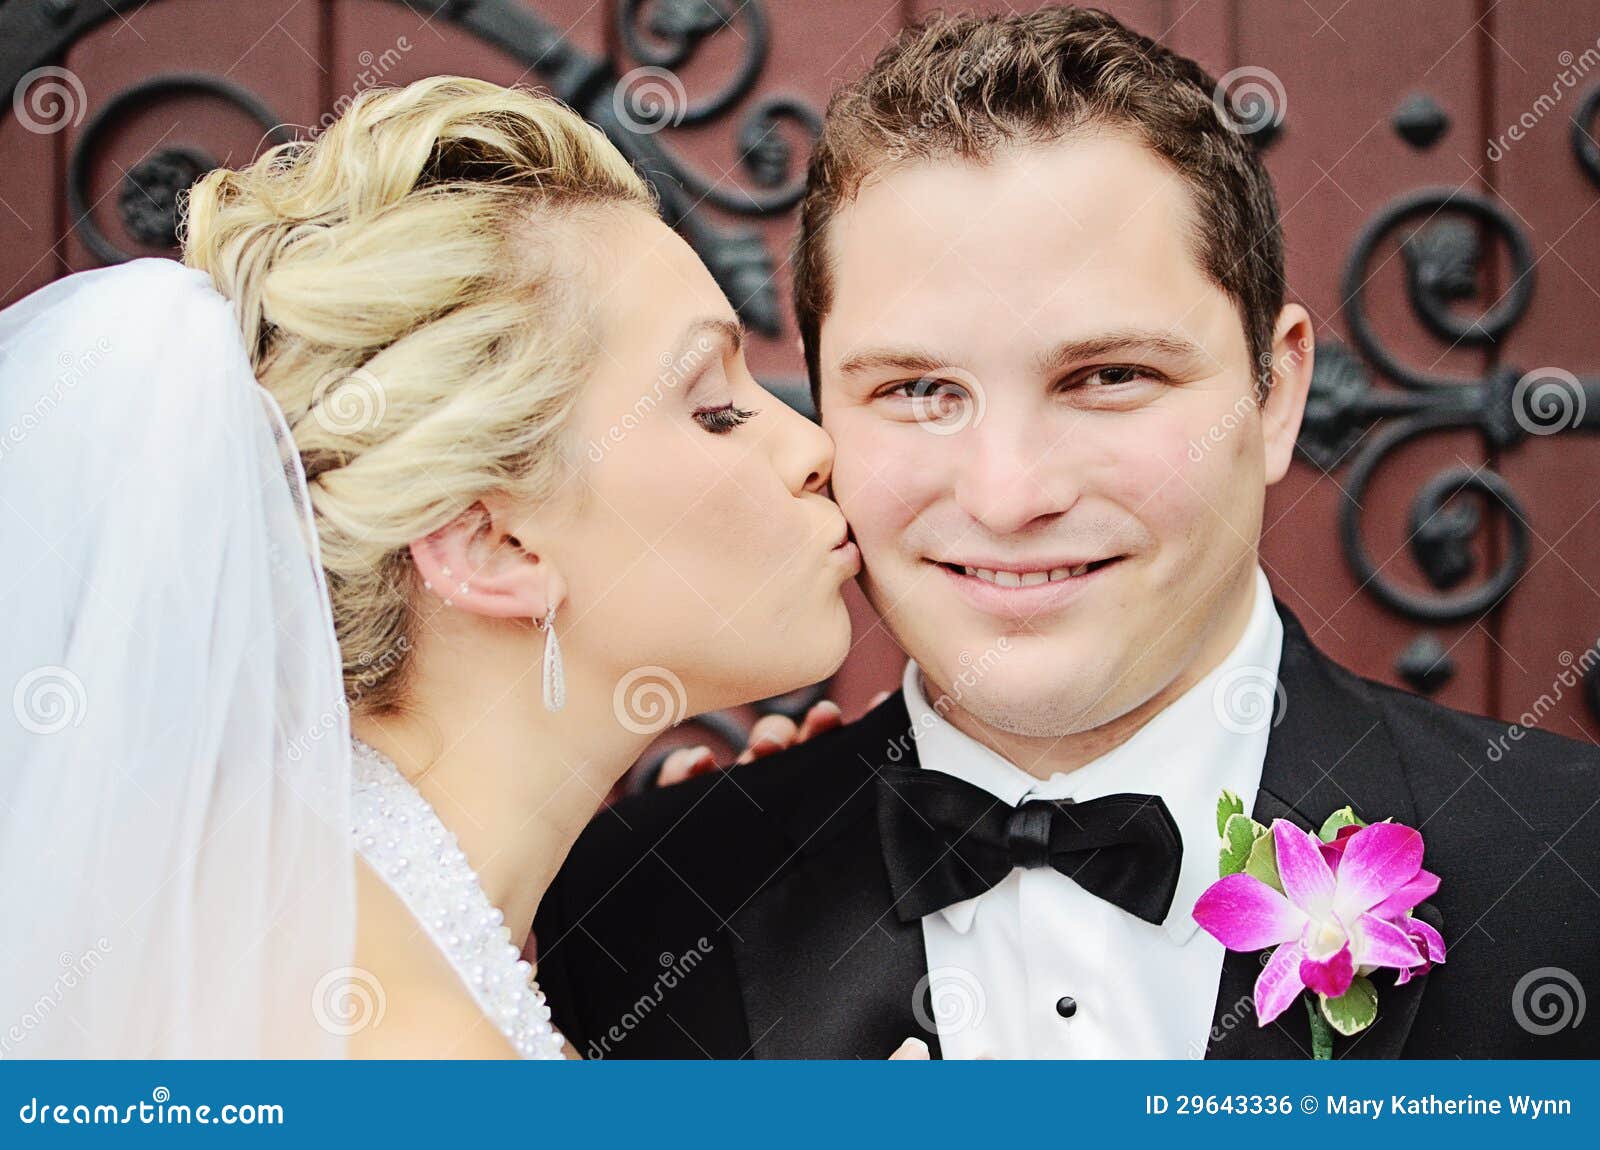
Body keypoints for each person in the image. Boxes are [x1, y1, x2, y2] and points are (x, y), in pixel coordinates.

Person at [534, 8, 1600, 1059]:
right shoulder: (630, 901)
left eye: (1108, 377)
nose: (1008, 496)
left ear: (1275, 393)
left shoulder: (1573, 864)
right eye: (917, 389)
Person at [0, 76, 927, 1059]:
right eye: (711, 406)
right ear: (493, 544)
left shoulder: (259, 898)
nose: (811, 447)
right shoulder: (417, 1042)